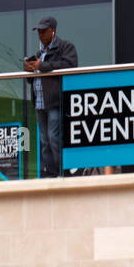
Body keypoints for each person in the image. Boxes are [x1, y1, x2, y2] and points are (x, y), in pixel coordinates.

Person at [24, 17, 79, 178]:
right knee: (44, 141)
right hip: (40, 103)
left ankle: (63, 172)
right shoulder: (39, 53)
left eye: (43, 31)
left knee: (54, 138)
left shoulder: (65, 47)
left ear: (53, 31)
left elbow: (70, 66)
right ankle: (50, 173)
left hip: (56, 102)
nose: (40, 35)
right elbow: (33, 79)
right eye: (38, 32)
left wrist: (42, 66)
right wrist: (30, 71)